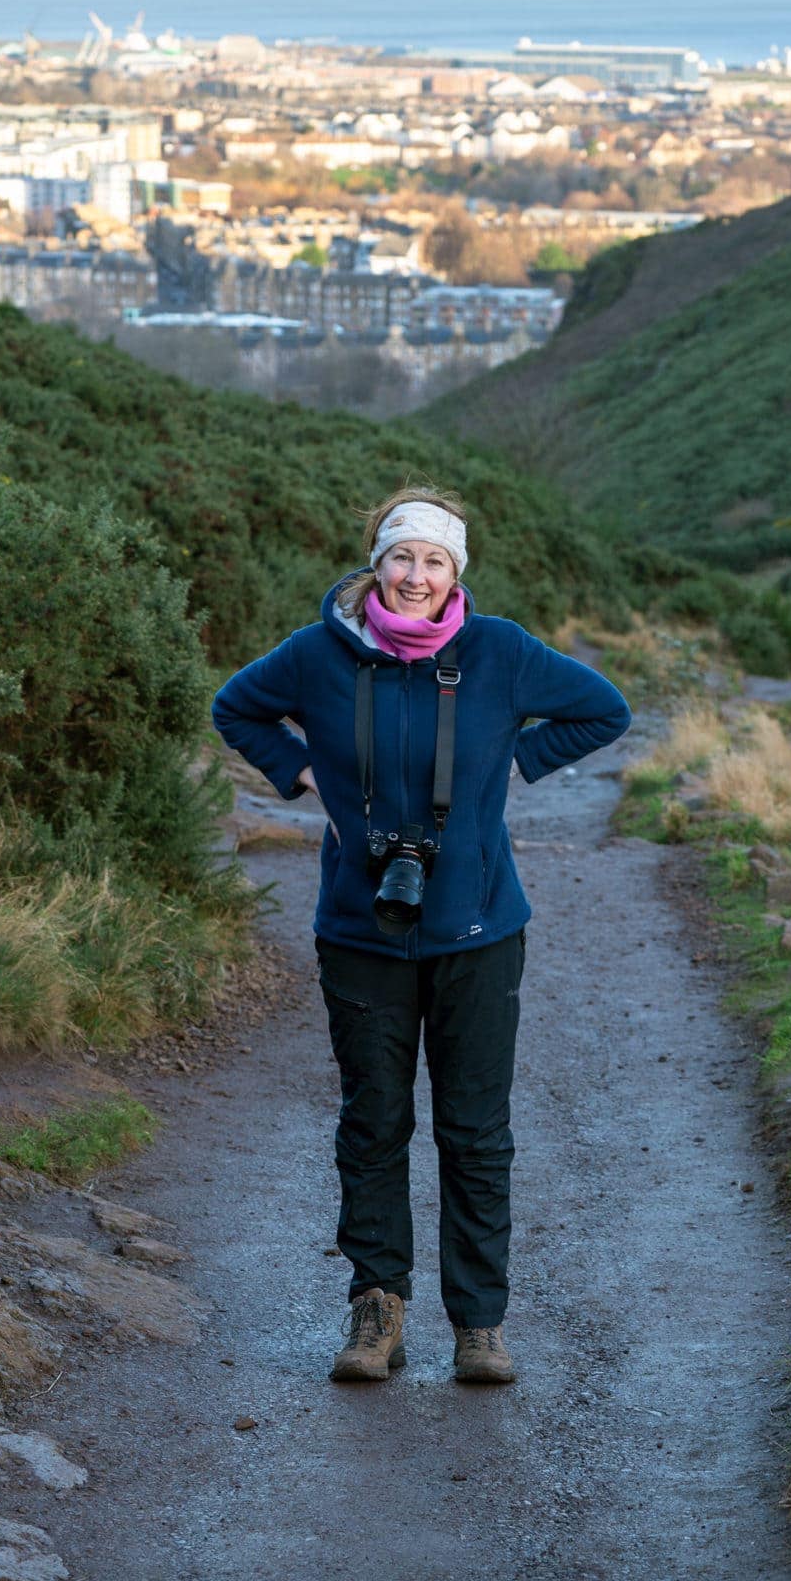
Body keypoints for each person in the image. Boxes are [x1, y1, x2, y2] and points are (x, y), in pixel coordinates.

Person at [210, 486, 631, 1386]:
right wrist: (304, 778)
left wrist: (515, 762)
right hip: (359, 928)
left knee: (475, 1132)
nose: (415, 575)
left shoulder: (499, 650)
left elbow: (605, 709)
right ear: (376, 563)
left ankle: (479, 1325)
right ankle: (377, 1312)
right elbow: (234, 707)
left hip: (477, 930)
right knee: (373, 1121)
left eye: (434, 561)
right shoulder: (317, 653)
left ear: (454, 574)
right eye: (400, 556)